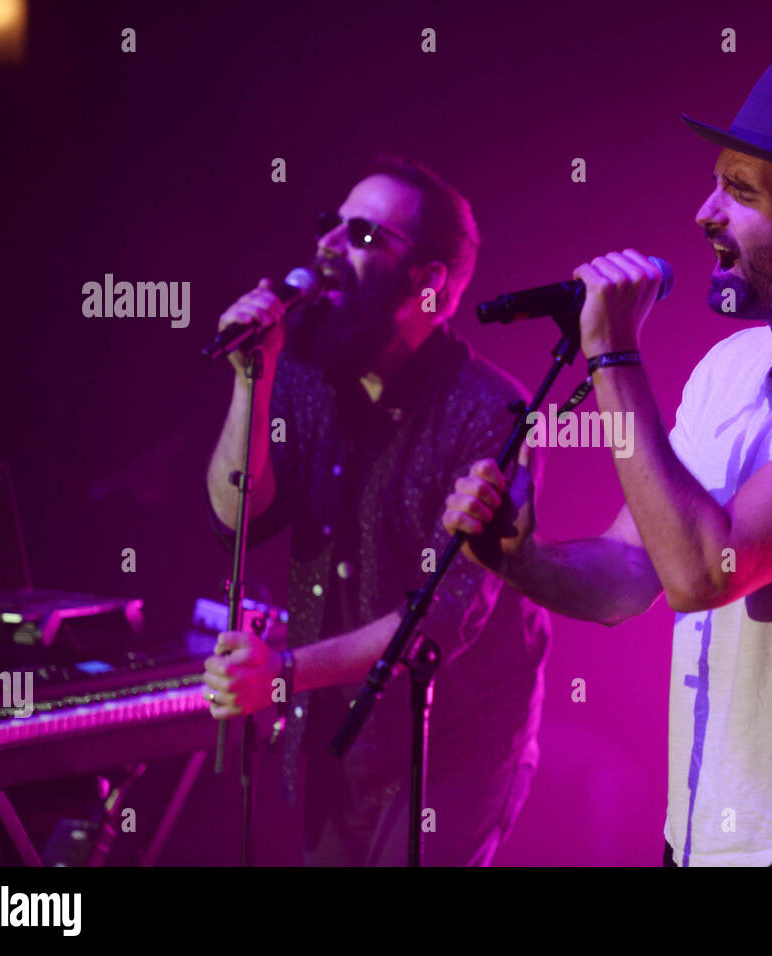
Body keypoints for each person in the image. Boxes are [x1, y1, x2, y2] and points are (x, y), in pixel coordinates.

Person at [443, 64, 772, 866]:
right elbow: (630, 576)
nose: (704, 215)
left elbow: (703, 573)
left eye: (740, 191)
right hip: (704, 842)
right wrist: (517, 559)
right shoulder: (728, 370)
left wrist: (613, 353)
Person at [201, 155, 549, 866]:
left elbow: (440, 622)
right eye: (332, 225)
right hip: (338, 727)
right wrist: (250, 384)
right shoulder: (302, 376)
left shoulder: (492, 411)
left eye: (362, 236)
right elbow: (240, 515)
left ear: (429, 284)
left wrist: (282, 671)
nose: (327, 246)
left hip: (455, 741)